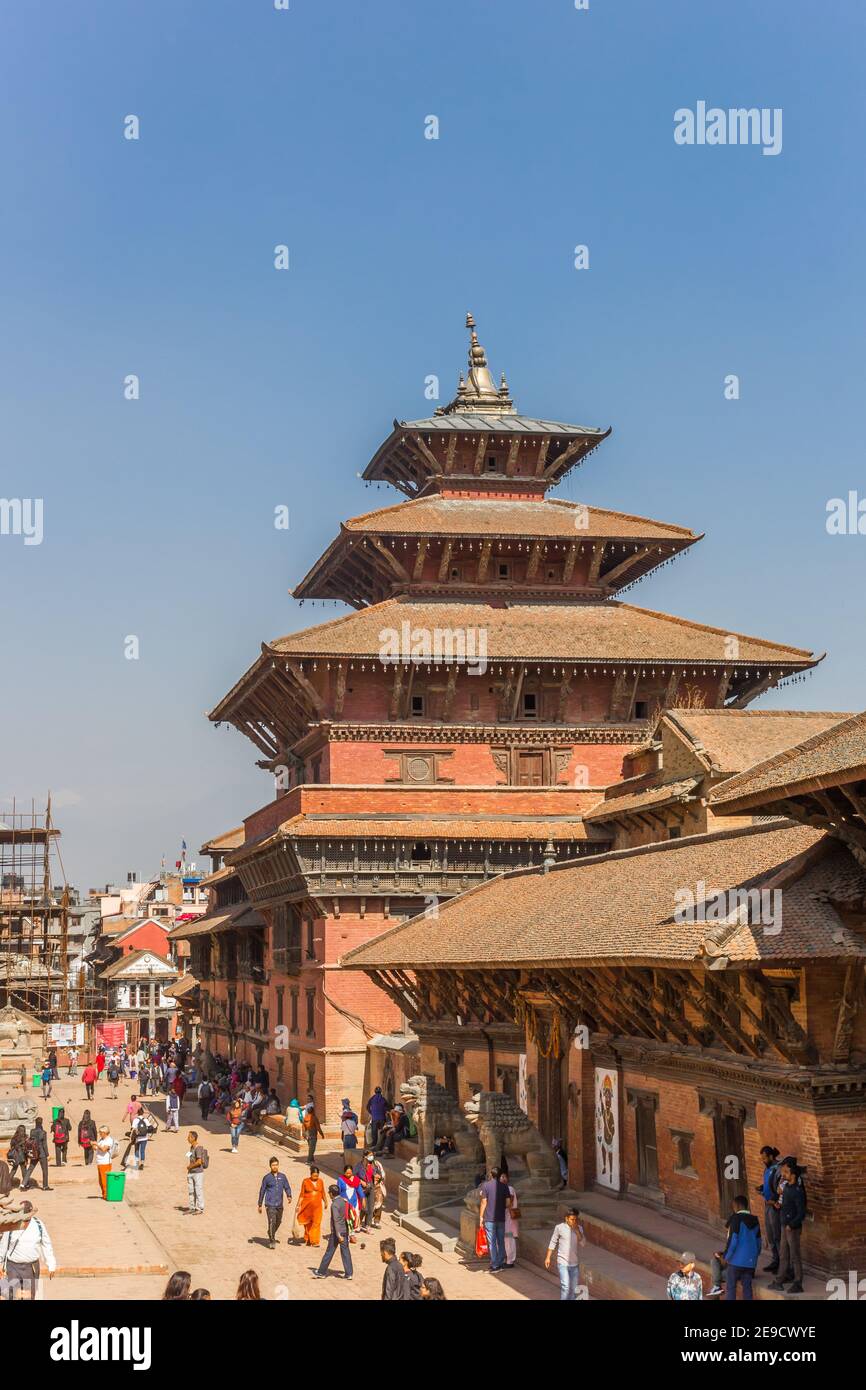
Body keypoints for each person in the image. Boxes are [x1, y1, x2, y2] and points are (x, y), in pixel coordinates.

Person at [0, 1200, 56, 1299]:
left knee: (28, 1297)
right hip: (12, 1266)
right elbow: (3, 1244)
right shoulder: (12, 1224)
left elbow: (46, 1244)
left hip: (31, 1268)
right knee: (13, 1296)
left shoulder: (38, 1225)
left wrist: (51, 1264)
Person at [710, 1195, 761, 1300]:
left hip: (736, 1263)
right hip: (750, 1263)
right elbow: (759, 1243)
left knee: (731, 1288)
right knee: (747, 1288)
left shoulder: (736, 1219)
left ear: (736, 1206)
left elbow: (733, 1241)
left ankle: (716, 1287)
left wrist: (726, 1258)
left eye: (733, 1206)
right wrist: (753, 1258)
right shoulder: (755, 1220)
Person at [768, 1157, 807, 1295]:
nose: (783, 1175)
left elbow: (801, 1212)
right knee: (784, 1254)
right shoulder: (787, 1188)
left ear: (793, 1175)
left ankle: (798, 1282)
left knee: (795, 1255)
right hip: (785, 1225)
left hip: (792, 1228)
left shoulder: (797, 1190)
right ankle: (779, 1280)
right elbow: (787, 1205)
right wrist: (779, 1205)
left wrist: (792, 1224)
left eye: (786, 1172)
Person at [545, 1207, 587, 1301]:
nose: (574, 1221)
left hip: (574, 1264)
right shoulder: (559, 1228)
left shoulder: (579, 1228)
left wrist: (577, 1231)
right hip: (562, 1263)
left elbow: (583, 1243)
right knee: (566, 1287)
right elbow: (553, 1242)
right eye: (572, 1219)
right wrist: (548, 1257)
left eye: (576, 1219)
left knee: (573, 1288)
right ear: (566, 1218)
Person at [313, 1184, 353, 1281]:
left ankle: (321, 1272)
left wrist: (338, 1234)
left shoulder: (334, 1204)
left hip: (337, 1233)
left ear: (331, 1194)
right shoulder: (343, 1201)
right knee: (346, 1252)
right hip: (345, 1230)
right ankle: (349, 1273)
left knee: (329, 1252)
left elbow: (336, 1220)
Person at [478, 1166, 511, 1274]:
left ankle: (495, 1264)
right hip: (501, 1217)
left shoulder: (485, 1186)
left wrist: (481, 1216)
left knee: (492, 1242)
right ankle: (500, 1262)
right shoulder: (504, 1187)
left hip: (489, 1217)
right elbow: (508, 1203)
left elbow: (484, 1202)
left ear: (491, 1175)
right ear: (500, 1175)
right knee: (501, 1240)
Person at [756, 1145, 783, 1274]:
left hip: (775, 1206)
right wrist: (762, 1189)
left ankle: (782, 1263)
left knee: (777, 1235)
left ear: (771, 1157)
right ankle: (775, 1259)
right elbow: (768, 1184)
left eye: (765, 1158)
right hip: (767, 1204)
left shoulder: (778, 1170)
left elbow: (780, 1189)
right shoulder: (767, 1169)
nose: (763, 1161)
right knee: (770, 1234)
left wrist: (775, 1200)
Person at [257, 1156, 292, 1247]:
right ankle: (272, 1241)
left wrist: (289, 1195)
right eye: (273, 1165)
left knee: (278, 1221)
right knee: (272, 1221)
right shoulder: (267, 1178)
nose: (275, 1167)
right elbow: (262, 1190)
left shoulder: (282, 1177)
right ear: (270, 1166)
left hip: (279, 1204)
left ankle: (270, 1232)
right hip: (270, 1204)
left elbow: (287, 1187)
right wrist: (260, 1204)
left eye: (276, 1165)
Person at [295, 1165, 328, 1246]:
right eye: (314, 1175)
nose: (315, 1177)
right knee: (308, 1223)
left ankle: (315, 1241)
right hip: (307, 1207)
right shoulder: (305, 1181)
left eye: (317, 1175)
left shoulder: (320, 1181)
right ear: (311, 1174)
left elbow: (323, 1192)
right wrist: (298, 1205)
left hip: (318, 1207)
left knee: (317, 1223)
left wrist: (326, 1201)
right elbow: (302, 1194)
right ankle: (308, 1238)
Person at [23, 1119, 50, 1192]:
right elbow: (44, 1144)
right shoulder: (43, 1132)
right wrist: (47, 1153)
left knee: (30, 1169)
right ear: (41, 1123)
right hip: (42, 1154)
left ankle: (23, 1184)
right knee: (44, 1170)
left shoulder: (32, 1131)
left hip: (34, 1153)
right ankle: (45, 1186)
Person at [185, 1130, 207, 1215]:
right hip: (191, 1172)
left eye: (189, 1137)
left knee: (198, 1190)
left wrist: (190, 1166)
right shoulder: (191, 1147)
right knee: (191, 1190)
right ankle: (192, 1207)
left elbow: (199, 1161)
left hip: (197, 1173)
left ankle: (199, 1208)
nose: (187, 1138)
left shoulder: (198, 1148)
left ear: (193, 1138)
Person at [94, 1124, 114, 1198]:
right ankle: (104, 1194)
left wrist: (97, 1144)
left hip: (105, 1162)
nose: (99, 1134)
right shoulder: (101, 1140)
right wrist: (93, 1145)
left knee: (105, 1181)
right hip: (100, 1162)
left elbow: (104, 1149)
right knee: (101, 1181)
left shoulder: (109, 1140)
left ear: (105, 1133)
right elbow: (97, 1149)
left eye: (100, 1132)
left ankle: (107, 1195)